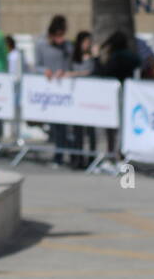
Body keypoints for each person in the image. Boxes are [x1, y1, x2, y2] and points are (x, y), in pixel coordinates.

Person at [94, 31, 138, 170]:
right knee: (121, 126)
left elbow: (105, 72)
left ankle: (115, 155)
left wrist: (97, 58)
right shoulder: (130, 56)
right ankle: (119, 155)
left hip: (116, 94)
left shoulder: (117, 57)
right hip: (127, 93)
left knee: (113, 126)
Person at [34, 14, 72, 165]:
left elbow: (71, 64)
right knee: (54, 125)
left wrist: (65, 72)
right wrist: (44, 70)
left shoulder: (67, 46)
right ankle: (59, 150)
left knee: (62, 125)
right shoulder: (41, 44)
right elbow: (36, 65)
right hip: (48, 91)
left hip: (64, 89)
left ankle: (60, 154)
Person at [69, 30, 96, 169]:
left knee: (91, 130)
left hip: (89, 99)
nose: (88, 45)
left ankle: (91, 158)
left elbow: (90, 72)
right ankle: (77, 158)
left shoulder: (92, 58)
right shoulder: (73, 58)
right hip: (76, 99)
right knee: (77, 130)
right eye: (86, 42)